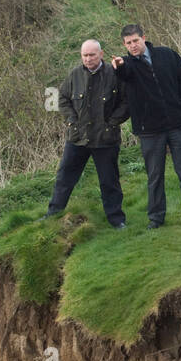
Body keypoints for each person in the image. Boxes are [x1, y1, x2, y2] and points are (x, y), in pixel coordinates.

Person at [111, 24, 181, 229]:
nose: (133, 46)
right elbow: (125, 74)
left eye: (135, 40)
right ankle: (156, 218)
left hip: (178, 125)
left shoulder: (167, 55)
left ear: (144, 38)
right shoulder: (128, 65)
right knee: (155, 175)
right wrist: (120, 66)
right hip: (149, 130)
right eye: (128, 43)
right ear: (124, 45)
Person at [45, 40, 130, 227]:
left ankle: (116, 220)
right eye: (85, 55)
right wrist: (71, 122)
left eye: (92, 55)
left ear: (101, 54)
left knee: (109, 182)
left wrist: (112, 122)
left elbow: (127, 102)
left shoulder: (114, 74)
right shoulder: (75, 75)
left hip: (105, 139)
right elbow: (63, 99)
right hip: (77, 138)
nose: (88, 59)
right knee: (64, 177)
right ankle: (53, 213)